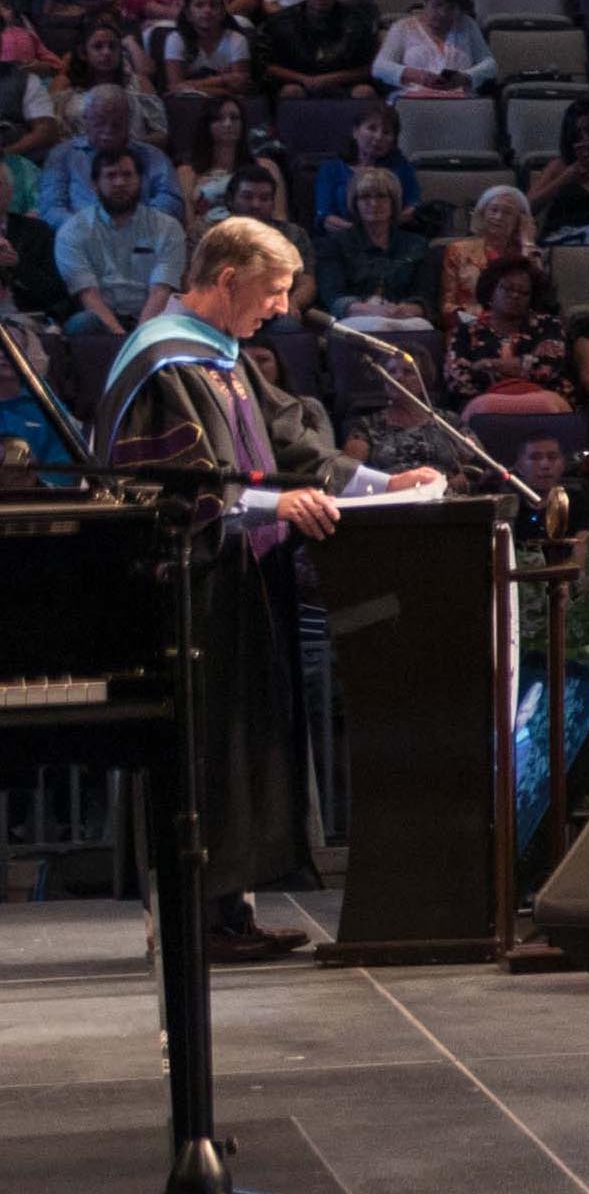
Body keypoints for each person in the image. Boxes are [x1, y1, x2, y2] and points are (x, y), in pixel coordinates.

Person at [95, 215, 445, 954]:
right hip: (191, 593)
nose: (282, 306)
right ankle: (194, 921)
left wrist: (385, 482)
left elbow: (290, 442)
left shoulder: (224, 359)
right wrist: (269, 504)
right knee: (209, 748)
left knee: (244, 741)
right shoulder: (165, 364)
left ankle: (227, 914)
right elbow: (163, 490)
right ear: (227, 281)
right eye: (274, 290)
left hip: (243, 582)